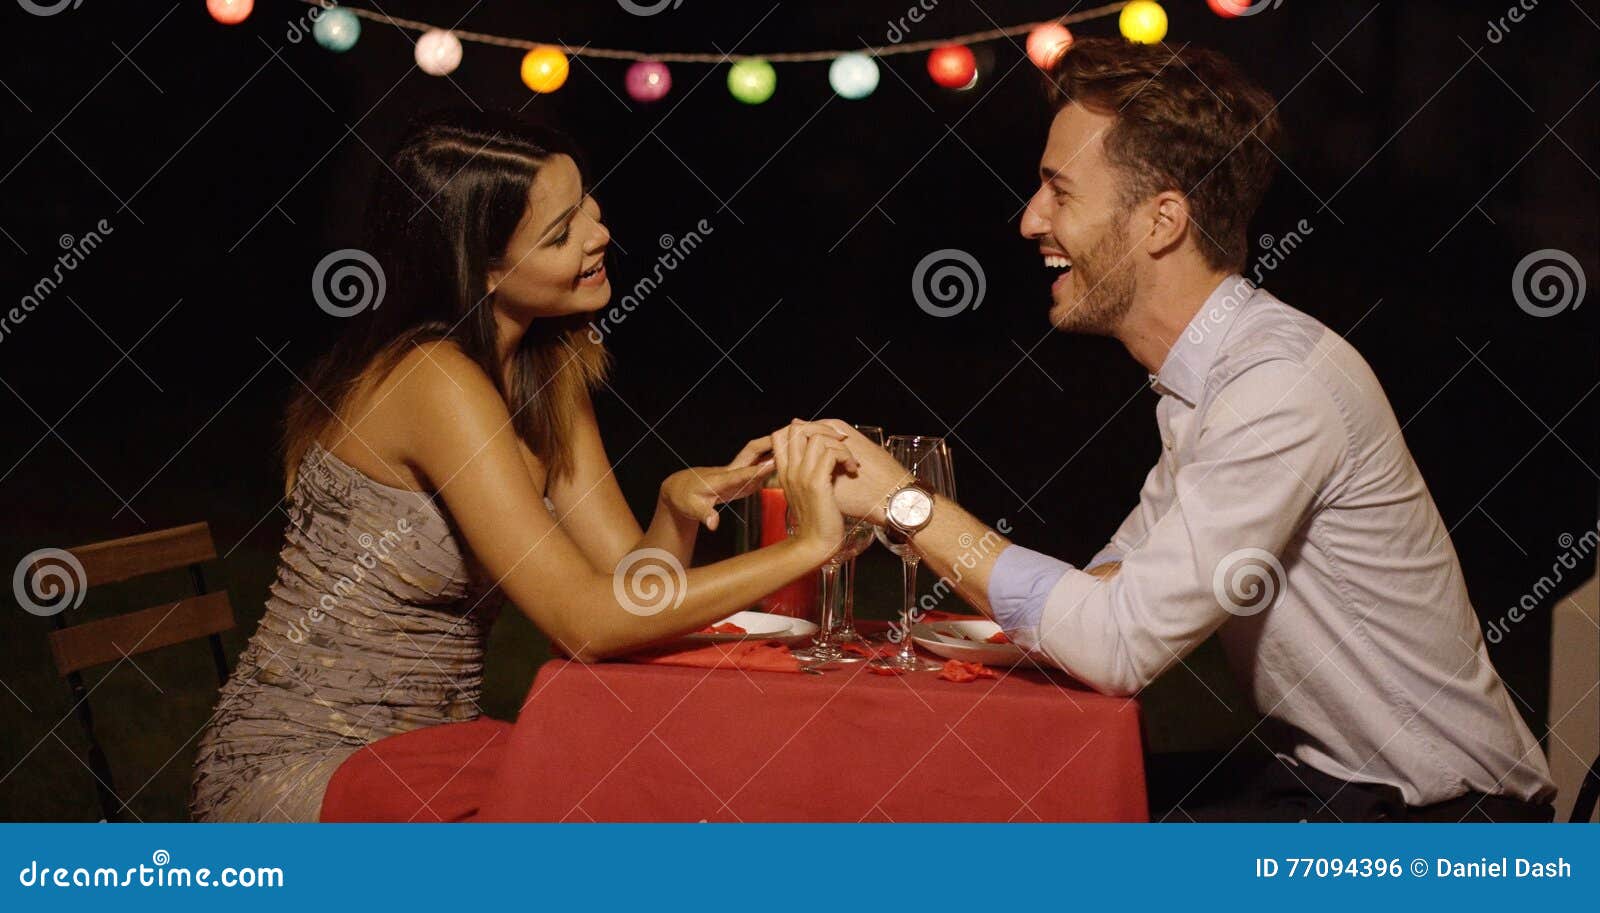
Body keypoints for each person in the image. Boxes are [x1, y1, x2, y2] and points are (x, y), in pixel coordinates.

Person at [820, 38, 1556, 821]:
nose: (1030, 219)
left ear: (1162, 220)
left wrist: (906, 505)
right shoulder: (1206, 377)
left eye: (1059, 192)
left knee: (1042, 844)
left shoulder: (1276, 386)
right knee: (1029, 812)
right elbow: (1107, 589)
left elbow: (1117, 644)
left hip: (1448, 823)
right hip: (1336, 786)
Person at [190, 111, 854, 822]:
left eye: (588, 206)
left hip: (433, 756)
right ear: (480, 270)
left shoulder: (548, 373)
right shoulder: (434, 380)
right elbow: (586, 624)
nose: (599, 235)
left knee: (658, 799)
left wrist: (672, 511)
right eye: (561, 233)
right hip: (310, 766)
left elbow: (628, 601)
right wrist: (807, 547)